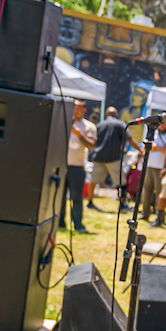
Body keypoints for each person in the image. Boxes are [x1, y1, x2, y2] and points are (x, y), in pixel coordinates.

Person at [87, 106, 134, 210]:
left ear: (106, 114)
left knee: (93, 181)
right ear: (116, 115)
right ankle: (122, 204)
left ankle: (89, 202)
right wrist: (140, 150)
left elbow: (93, 140)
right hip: (114, 158)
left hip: (99, 157)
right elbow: (130, 139)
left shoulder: (100, 125)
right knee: (121, 183)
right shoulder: (120, 124)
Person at [61, 100, 96, 233]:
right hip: (61, 164)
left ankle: (77, 224)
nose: (75, 111)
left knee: (76, 197)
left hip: (77, 166)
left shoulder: (89, 126)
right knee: (59, 197)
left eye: (78, 108)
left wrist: (78, 134)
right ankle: (60, 222)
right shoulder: (64, 121)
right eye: (74, 108)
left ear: (84, 110)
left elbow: (91, 146)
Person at [140, 116, 166, 221]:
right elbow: (144, 147)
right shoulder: (153, 133)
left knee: (160, 192)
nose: (161, 125)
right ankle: (145, 213)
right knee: (146, 191)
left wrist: (158, 148)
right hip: (149, 165)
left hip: (160, 167)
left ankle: (159, 216)